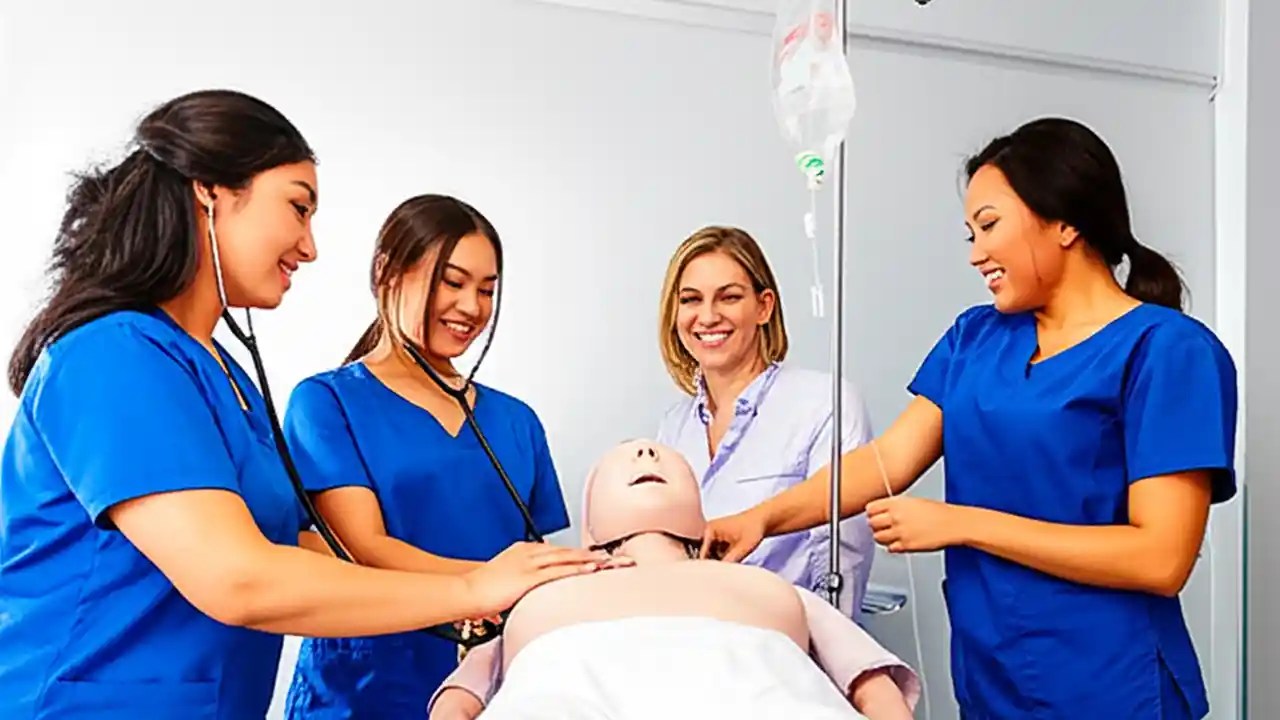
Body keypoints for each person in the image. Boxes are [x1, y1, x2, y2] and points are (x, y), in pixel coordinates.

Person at [0, 90, 621, 720]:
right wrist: (469, 587)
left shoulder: (222, 374)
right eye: (298, 207)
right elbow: (238, 577)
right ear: (209, 191)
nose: (310, 246)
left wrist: (534, 582)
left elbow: (298, 544)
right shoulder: (113, 356)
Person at [699, 117, 1238, 719]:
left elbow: (1161, 558)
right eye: (970, 235)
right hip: (993, 675)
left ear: (1065, 221)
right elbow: (887, 463)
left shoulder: (1169, 351)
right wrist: (760, 519)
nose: (978, 253)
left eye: (989, 226)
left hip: (1110, 682)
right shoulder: (975, 338)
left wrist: (963, 524)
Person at [280, 194, 573, 717]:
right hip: (363, 688)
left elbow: (534, 555)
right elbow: (361, 546)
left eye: (487, 290)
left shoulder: (516, 421)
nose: (472, 307)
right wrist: (485, 589)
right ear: (387, 271)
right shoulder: (326, 402)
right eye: (452, 282)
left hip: (490, 690)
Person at [426, 439, 921, 720]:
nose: (646, 455)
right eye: (627, 458)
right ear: (589, 524)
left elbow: (869, 679)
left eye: (664, 459)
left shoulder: (763, 585)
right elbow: (463, 694)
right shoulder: (543, 591)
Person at [654, 225, 877, 618]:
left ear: (764, 306)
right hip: (691, 650)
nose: (708, 316)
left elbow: (845, 559)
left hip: (788, 658)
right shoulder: (673, 429)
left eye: (729, 297)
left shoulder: (824, 404)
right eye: (691, 299)